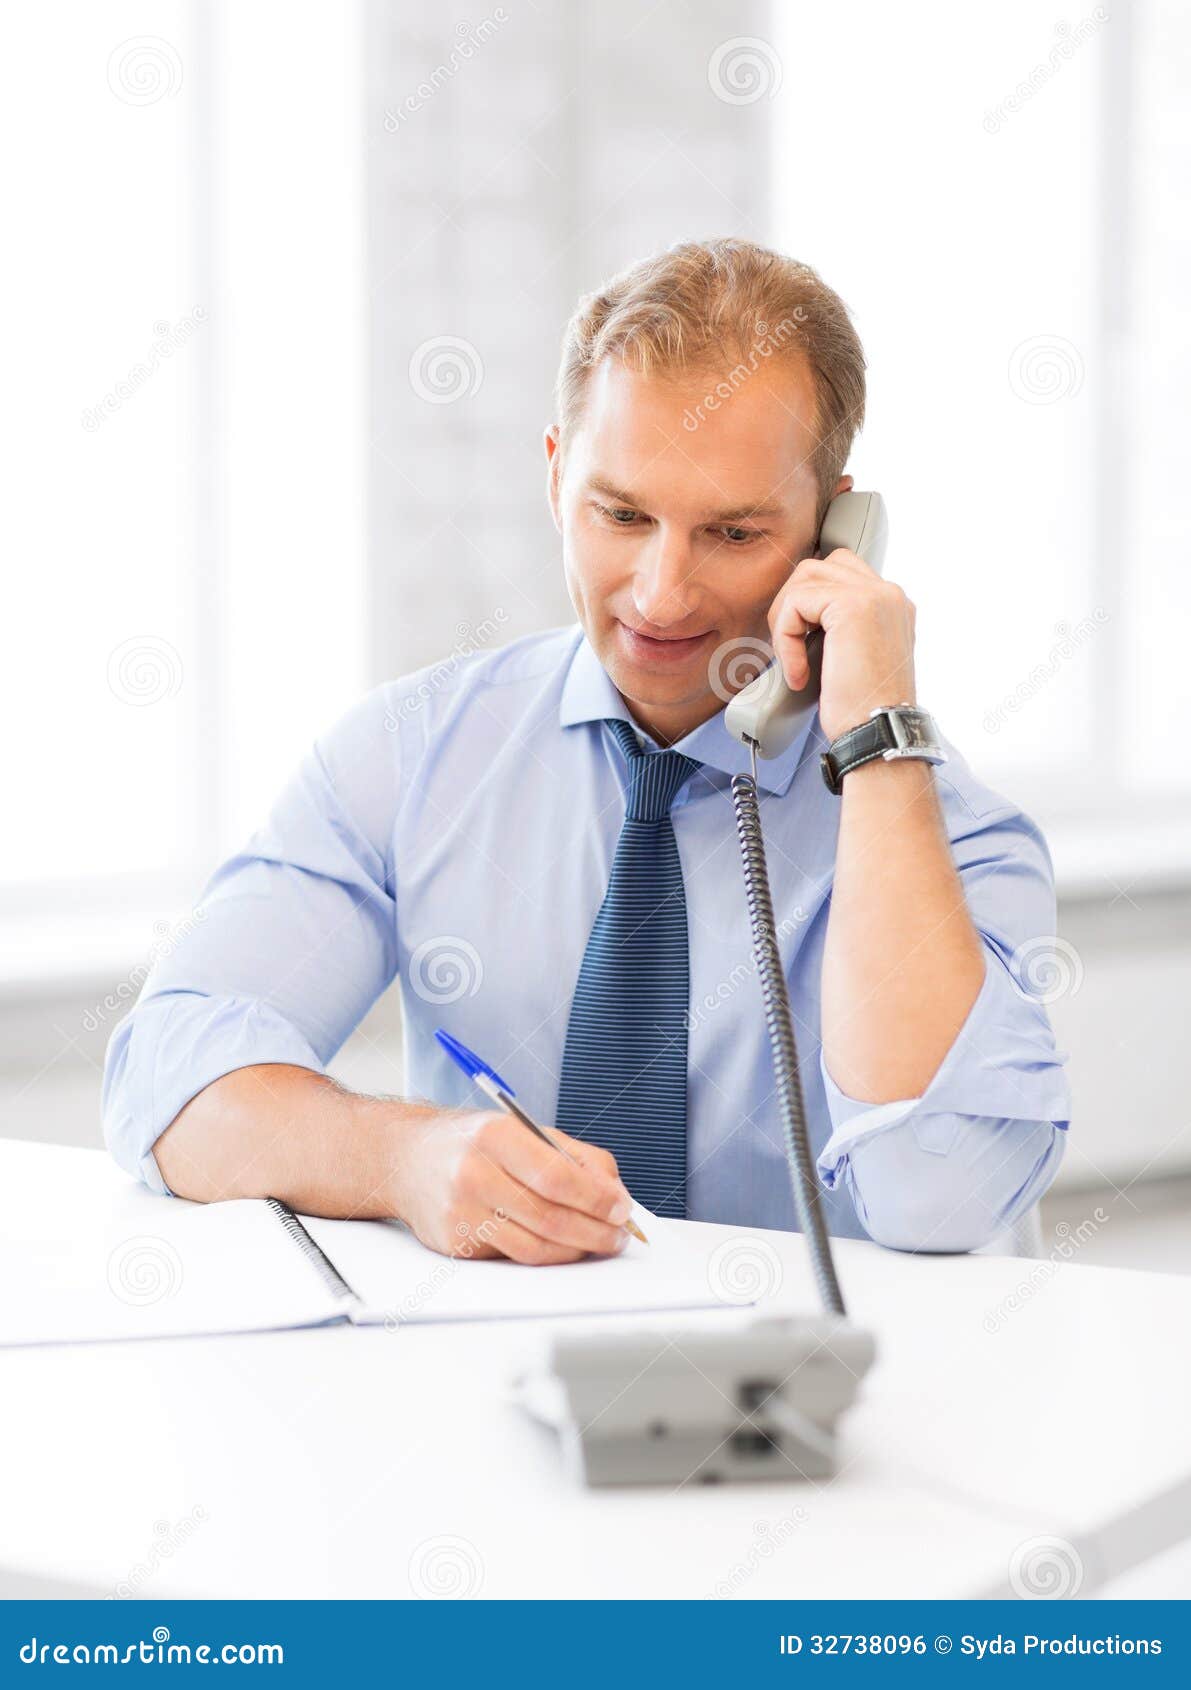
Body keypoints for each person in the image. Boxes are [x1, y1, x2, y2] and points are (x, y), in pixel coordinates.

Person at [103, 238, 1069, 1262]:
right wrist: (401, 1157)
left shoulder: (950, 833)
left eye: (733, 533)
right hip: (515, 1353)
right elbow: (164, 1074)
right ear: (558, 474)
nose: (660, 593)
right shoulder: (411, 756)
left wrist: (876, 739)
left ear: (837, 531)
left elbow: (940, 1198)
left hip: (838, 1362)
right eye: (622, 514)